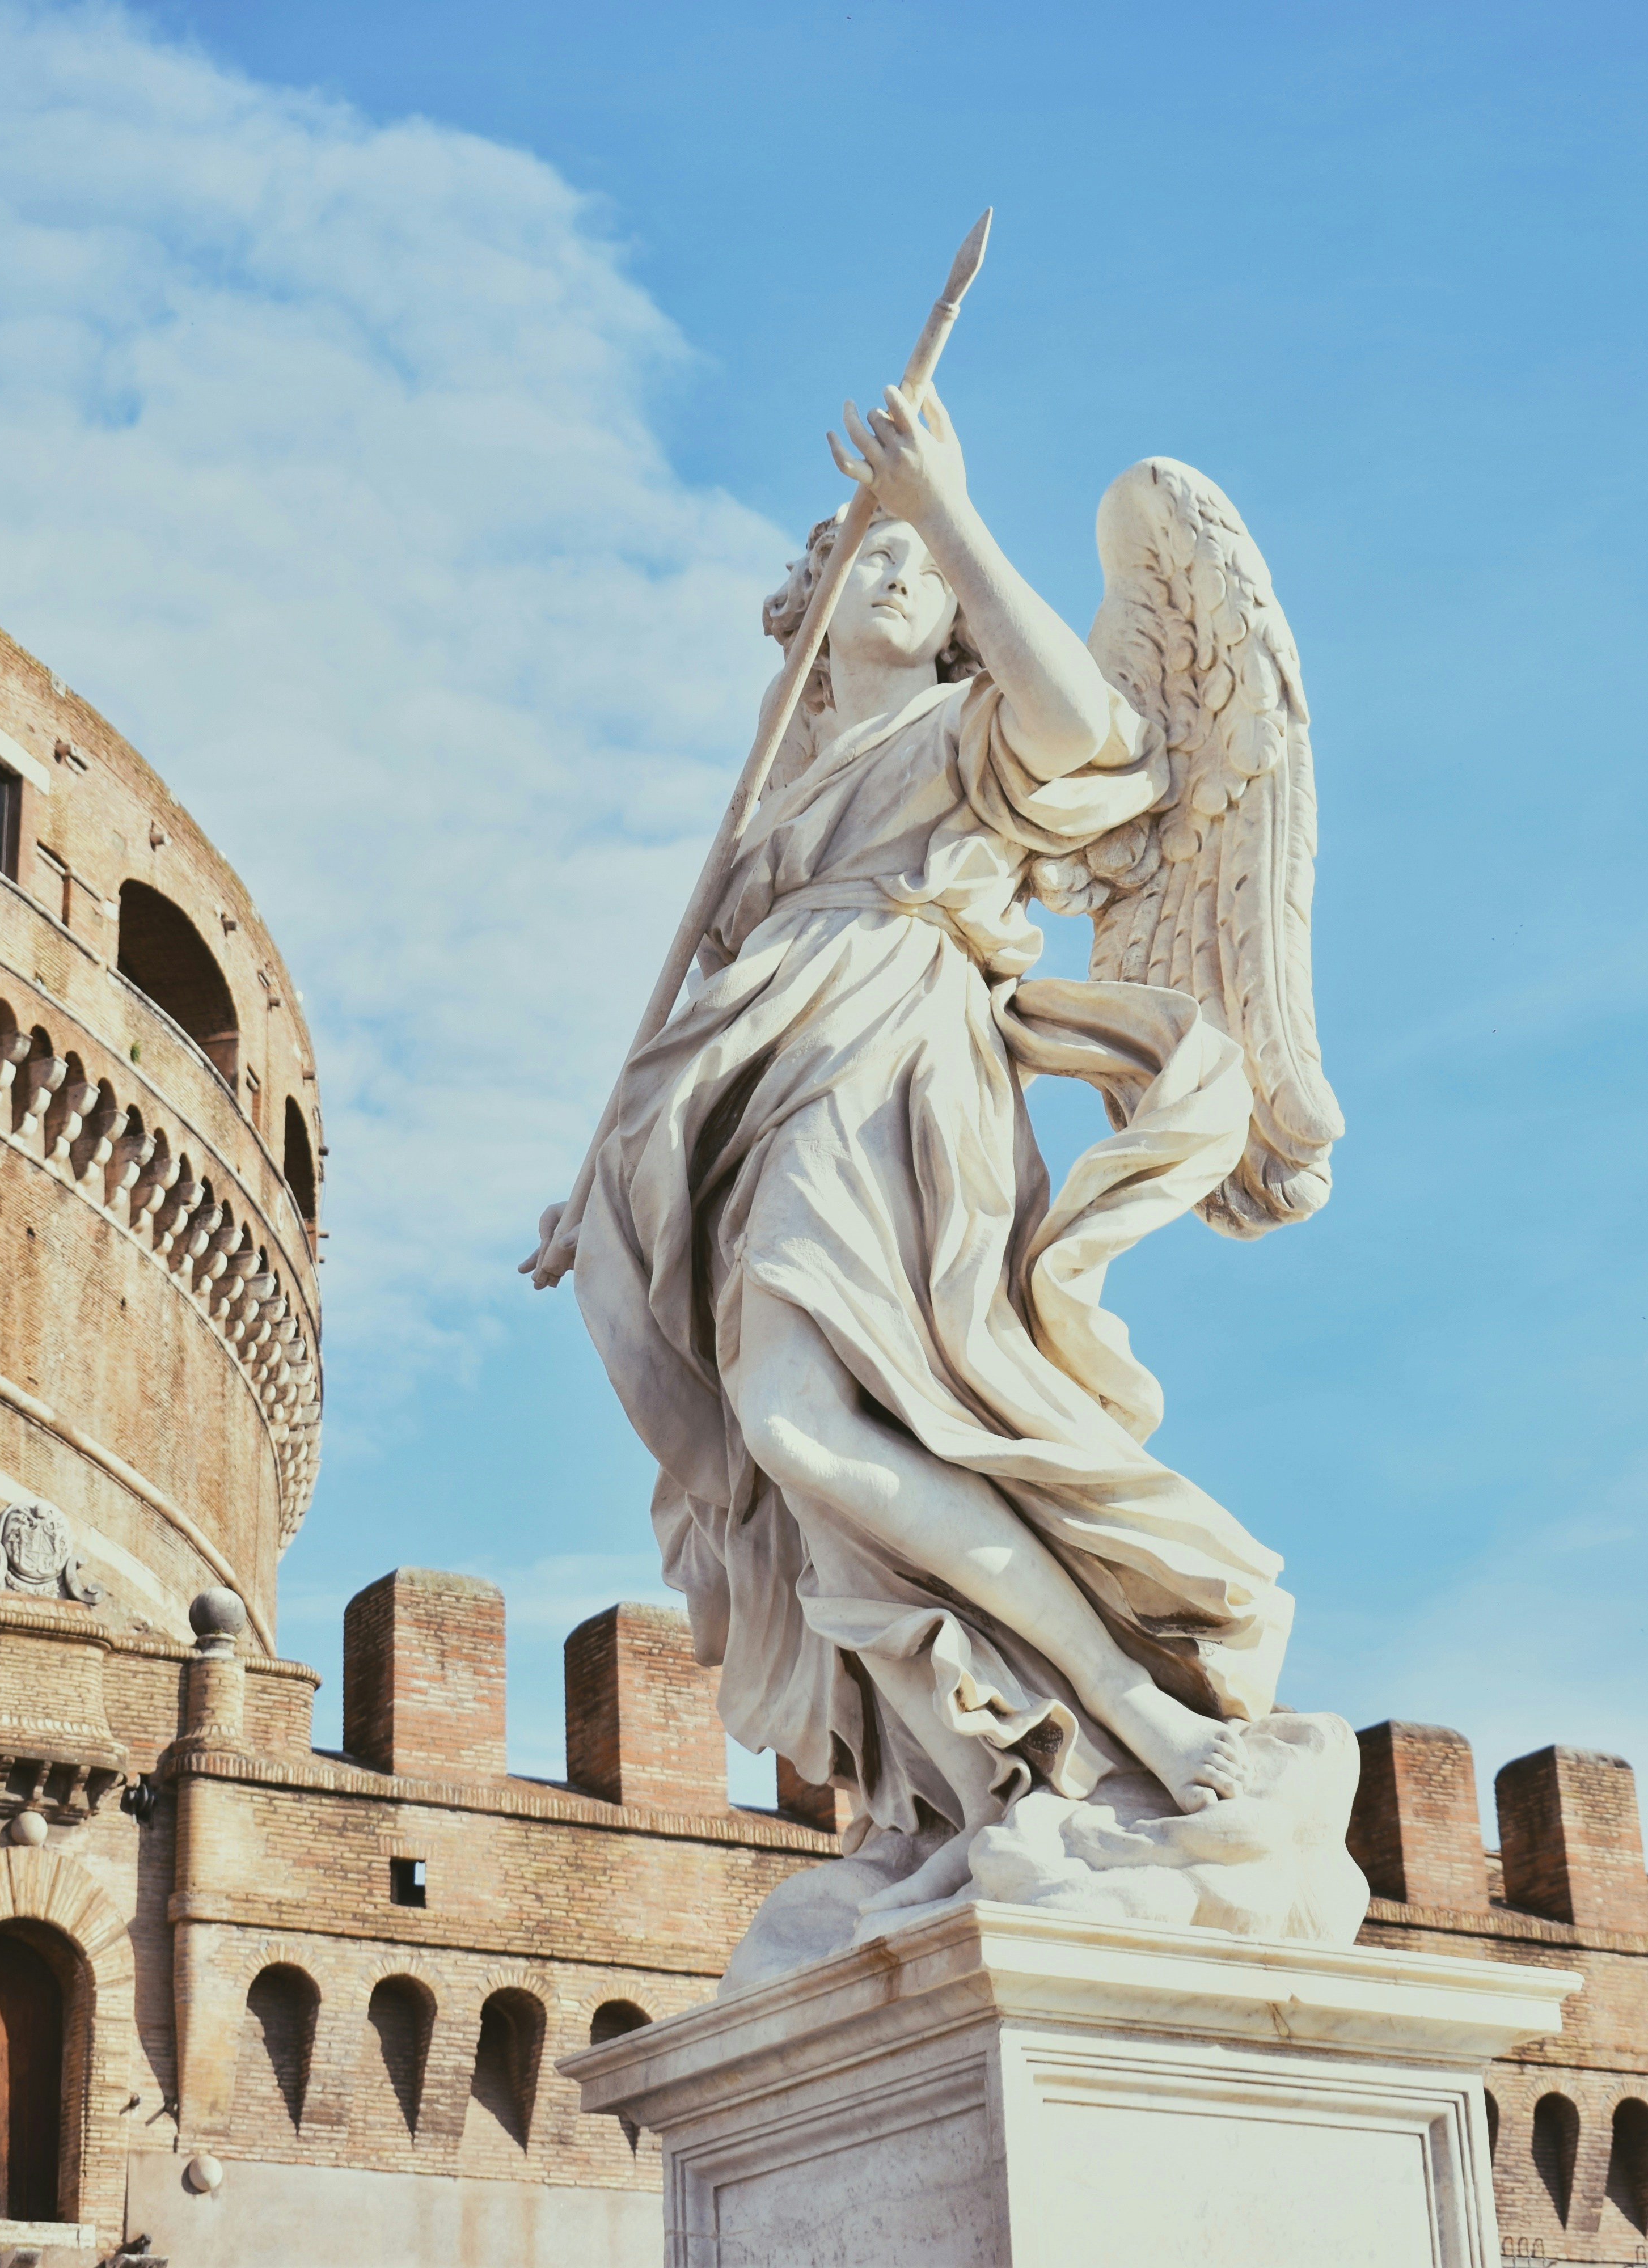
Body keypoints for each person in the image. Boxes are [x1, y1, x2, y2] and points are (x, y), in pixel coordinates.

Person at [529, 385, 1302, 1917]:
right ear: (808, 605)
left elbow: (1084, 724)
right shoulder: (766, 804)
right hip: (753, 1091)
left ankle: (1126, 1703)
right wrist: (613, 1180)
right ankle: (939, 1776)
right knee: (802, 1458)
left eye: (920, 569)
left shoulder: (973, 730)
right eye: (862, 558)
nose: (894, 574)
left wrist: (943, 497)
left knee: (815, 1416)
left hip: (893, 1059)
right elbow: (708, 993)